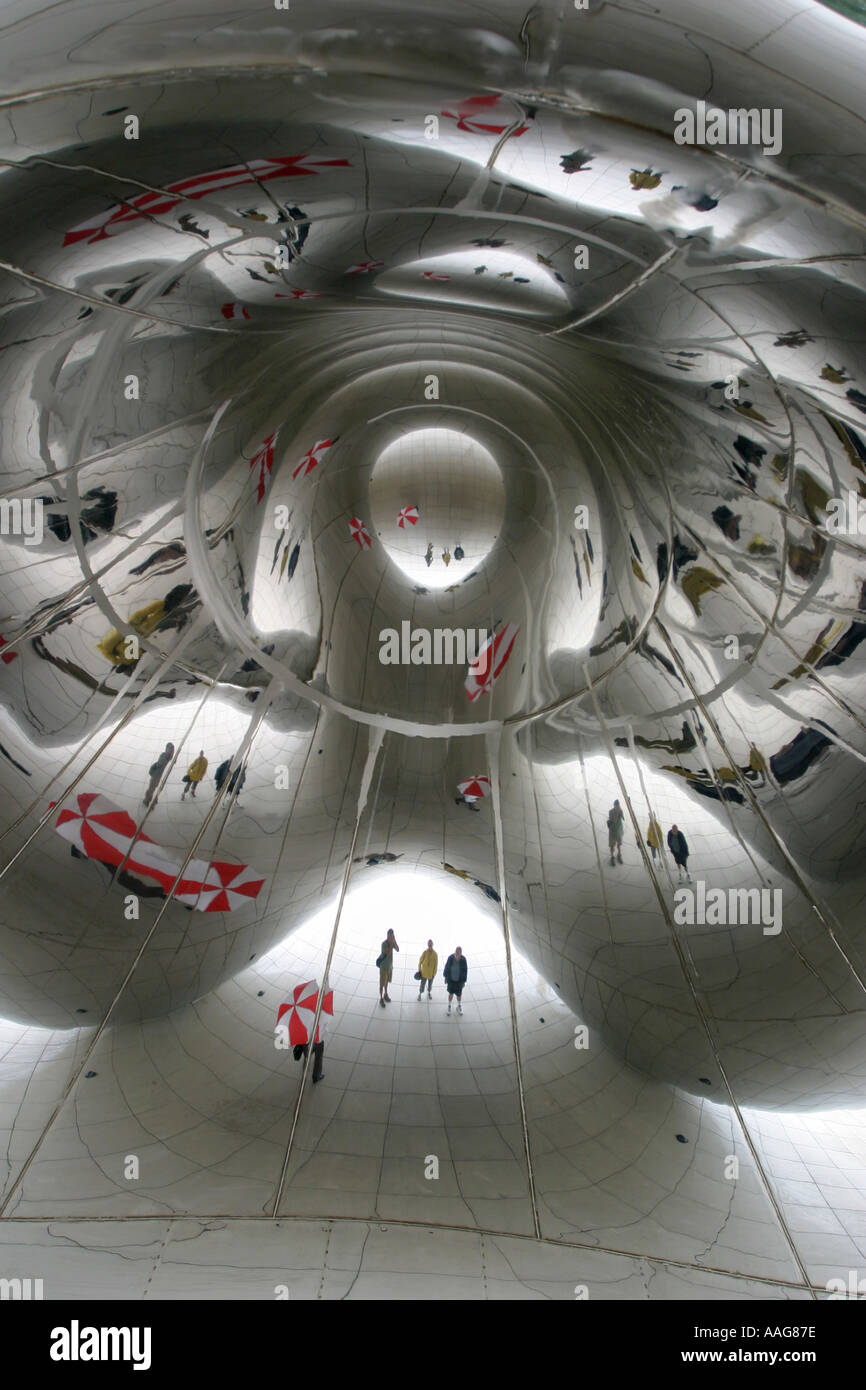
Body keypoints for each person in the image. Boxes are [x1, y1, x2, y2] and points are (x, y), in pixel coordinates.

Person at [443, 946, 468, 1015]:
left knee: (459, 995)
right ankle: (449, 1005)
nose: (457, 954)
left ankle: (459, 1006)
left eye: (459, 953)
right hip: (451, 981)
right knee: (450, 993)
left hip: (459, 981)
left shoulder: (463, 960)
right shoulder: (451, 958)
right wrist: (445, 977)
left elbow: (465, 971)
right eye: (456, 953)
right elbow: (447, 967)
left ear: (461, 953)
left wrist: (464, 981)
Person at [378, 928, 398, 1006]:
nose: (391, 937)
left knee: (386, 982)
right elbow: (388, 952)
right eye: (390, 936)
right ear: (387, 936)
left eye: (392, 936)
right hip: (383, 968)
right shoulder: (384, 944)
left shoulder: (392, 942)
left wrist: (394, 941)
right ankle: (381, 998)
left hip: (389, 967)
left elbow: (397, 949)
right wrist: (391, 943)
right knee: (382, 984)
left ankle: (385, 994)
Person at [607, 799, 625, 865]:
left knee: (619, 844)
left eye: (618, 805)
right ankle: (612, 857)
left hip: (618, 830)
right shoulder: (611, 811)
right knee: (612, 845)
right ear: (614, 805)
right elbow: (614, 821)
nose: (617, 807)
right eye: (616, 805)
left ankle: (619, 855)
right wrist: (617, 813)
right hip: (612, 831)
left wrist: (621, 812)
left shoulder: (620, 810)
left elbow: (623, 818)